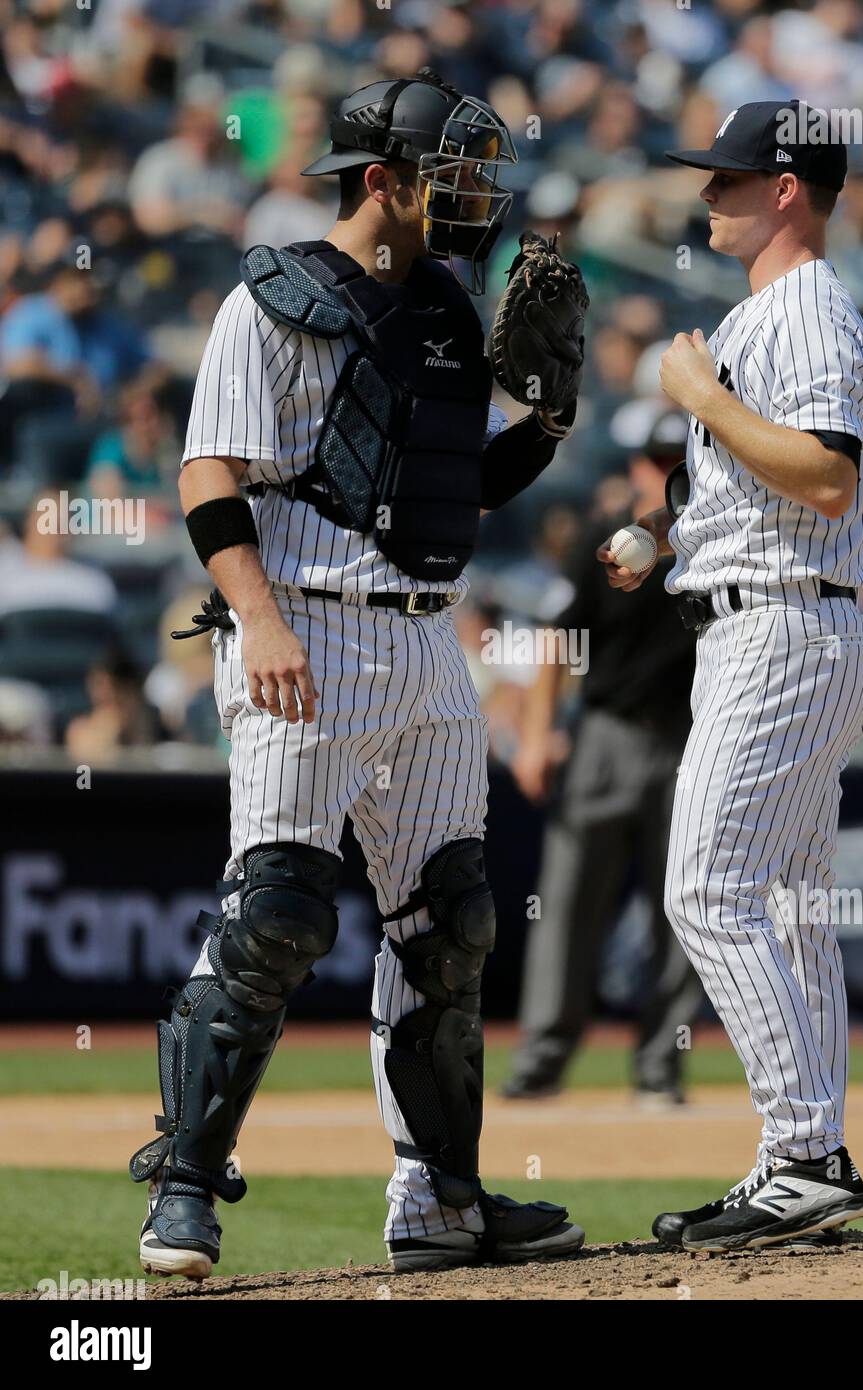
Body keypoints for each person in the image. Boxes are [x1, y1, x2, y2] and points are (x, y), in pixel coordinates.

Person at [128, 69, 586, 1279]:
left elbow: (457, 489)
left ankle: (438, 1203)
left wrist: (541, 431)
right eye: (454, 173)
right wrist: (260, 621)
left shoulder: (444, 298)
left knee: (451, 923)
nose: (475, 195)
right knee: (275, 914)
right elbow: (208, 473)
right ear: (381, 178)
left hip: (429, 639)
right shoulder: (270, 298)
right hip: (305, 633)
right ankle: (184, 1182)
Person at [598, 100, 863, 1252]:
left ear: (784, 190)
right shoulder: (771, 312)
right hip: (769, 620)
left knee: (706, 892)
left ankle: (808, 1153)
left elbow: (826, 478)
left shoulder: (806, 307)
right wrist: (667, 534)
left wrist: (701, 400)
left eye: (727, 178)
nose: (705, 194)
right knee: (789, 912)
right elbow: (769, 488)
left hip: (782, 630)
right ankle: (797, 1160)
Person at [503, 411, 704, 1106]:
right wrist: (535, 735)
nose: (662, 473)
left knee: (682, 909)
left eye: (676, 460)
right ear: (632, 468)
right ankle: (543, 1056)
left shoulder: (717, 543)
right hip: (605, 734)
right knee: (567, 903)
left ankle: (659, 1063)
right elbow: (556, 643)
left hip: (691, 738)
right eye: (653, 460)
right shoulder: (600, 541)